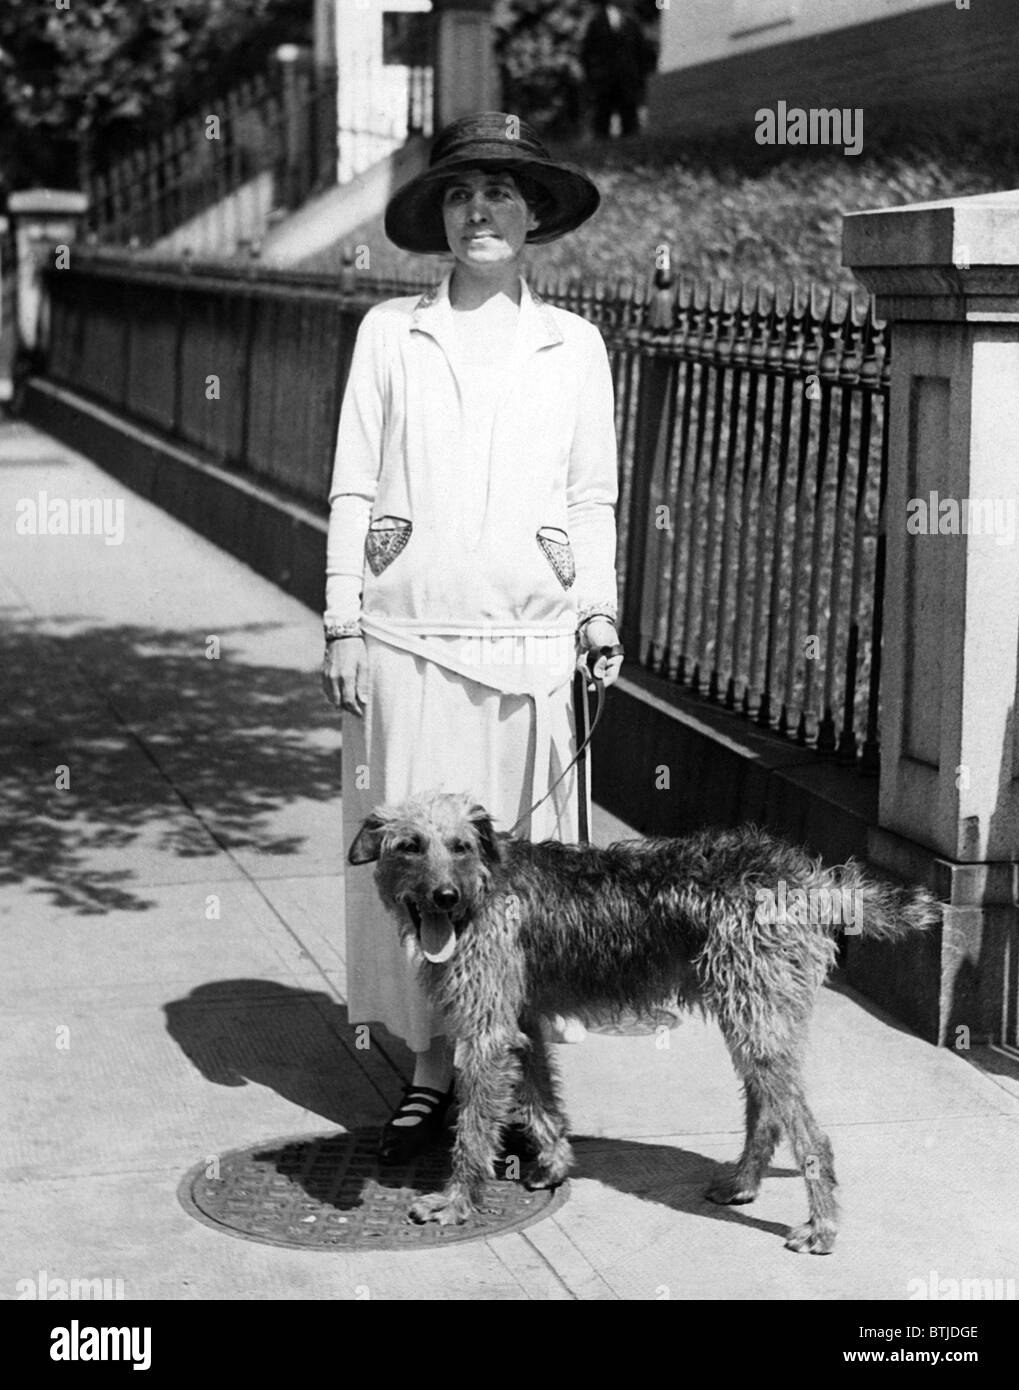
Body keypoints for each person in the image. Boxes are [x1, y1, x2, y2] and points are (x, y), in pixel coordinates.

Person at [321, 112, 623, 1163]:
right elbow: (354, 481)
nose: (479, 209)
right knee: (421, 870)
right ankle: (430, 1071)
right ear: (439, 216)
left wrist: (596, 611)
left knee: (506, 888)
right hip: (407, 641)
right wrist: (341, 619)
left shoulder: (572, 345)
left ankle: (511, 1079)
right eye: (459, 192)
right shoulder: (391, 335)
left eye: (500, 190)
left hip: (528, 651)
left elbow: (591, 500)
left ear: (533, 213)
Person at [581, 0, 655, 139]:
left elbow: (642, 52)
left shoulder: (632, 24)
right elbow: (587, 52)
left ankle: (630, 151)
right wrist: (594, 74)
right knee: (602, 118)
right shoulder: (596, 23)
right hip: (604, 80)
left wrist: (638, 76)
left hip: (627, 79)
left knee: (629, 120)